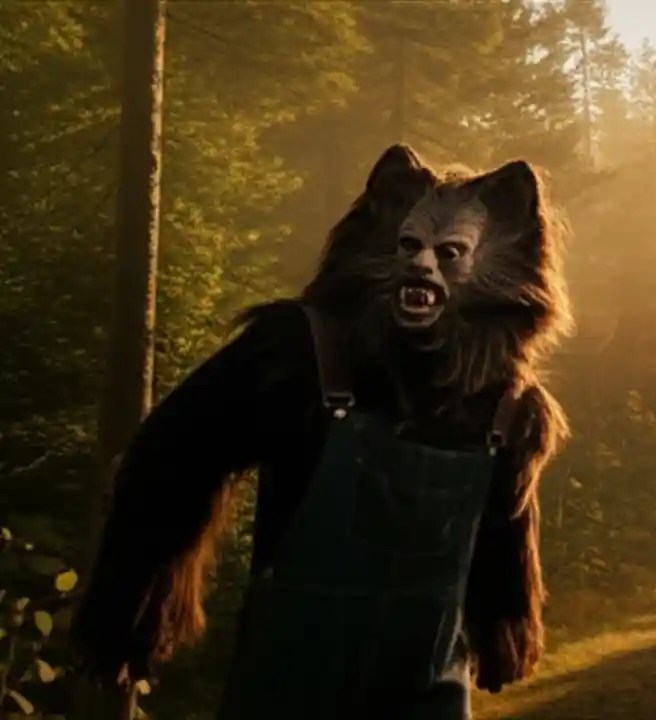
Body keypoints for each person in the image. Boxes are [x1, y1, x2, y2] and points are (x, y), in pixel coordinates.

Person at [70, 144, 571, 718]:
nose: (422, 265)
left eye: (449, 253)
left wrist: (505, 625)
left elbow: (506, 530)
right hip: (288, 692)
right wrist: (129, 608)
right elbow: (170, 457)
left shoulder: (511, 409)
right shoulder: (296, 356)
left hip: (425, 692)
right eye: (409, 246)